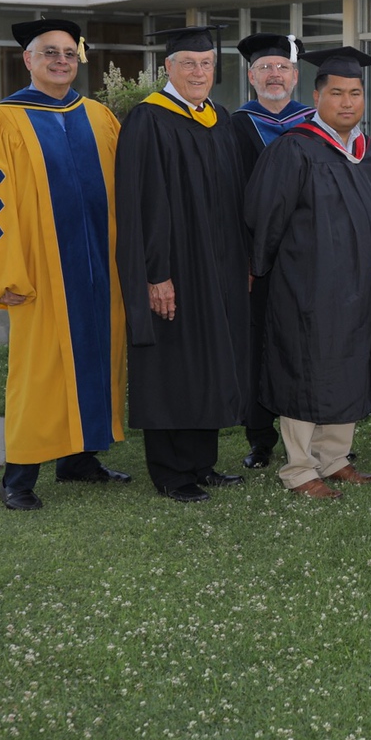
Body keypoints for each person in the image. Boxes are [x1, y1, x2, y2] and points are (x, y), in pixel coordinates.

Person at [0, 17, 129, 510]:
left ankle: (80, 459)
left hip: (101, 268)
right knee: (38, 372)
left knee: (100, 360)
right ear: (28, 60)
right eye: (50, 52)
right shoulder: (3, 119)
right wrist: (1, 274)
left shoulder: (99, 116)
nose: (61, 61)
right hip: (39, 272)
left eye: (69, 54)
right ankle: (20, 476)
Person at [244, 47, 371, 498]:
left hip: (358, 285)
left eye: (354, 93)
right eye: (336, 93)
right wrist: (260, 269)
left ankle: (334, 458)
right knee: (305, 368)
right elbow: (264, 217)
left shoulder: (369, 155)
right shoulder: (295, 148)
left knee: (347, 365)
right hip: (306, 285)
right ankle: (298, 468)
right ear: (316, 96)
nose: (347, 102)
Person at [115, 26, 249, 503]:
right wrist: (156, 273)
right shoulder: (148, 120)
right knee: (173, 362)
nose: (198, 72)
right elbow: (142, 204)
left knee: (209, 359)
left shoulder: (220, 118)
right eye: (188, 63)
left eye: (207, 63)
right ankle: (171, 472)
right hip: (174, 266)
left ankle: (201, 463)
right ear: (168, 68)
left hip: (218, 267)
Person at [230, 32, 314, 470]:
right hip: (257, 260)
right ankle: (260, 438)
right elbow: (227, 198)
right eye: (265, 68)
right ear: (251, 76)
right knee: (260, 345)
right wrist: (243, 256)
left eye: (282, 67)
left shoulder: (318, 124)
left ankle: (315, 431)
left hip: (310, 257)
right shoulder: (234, 126)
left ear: (296, 76)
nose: (274, 74)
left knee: (312, 342)